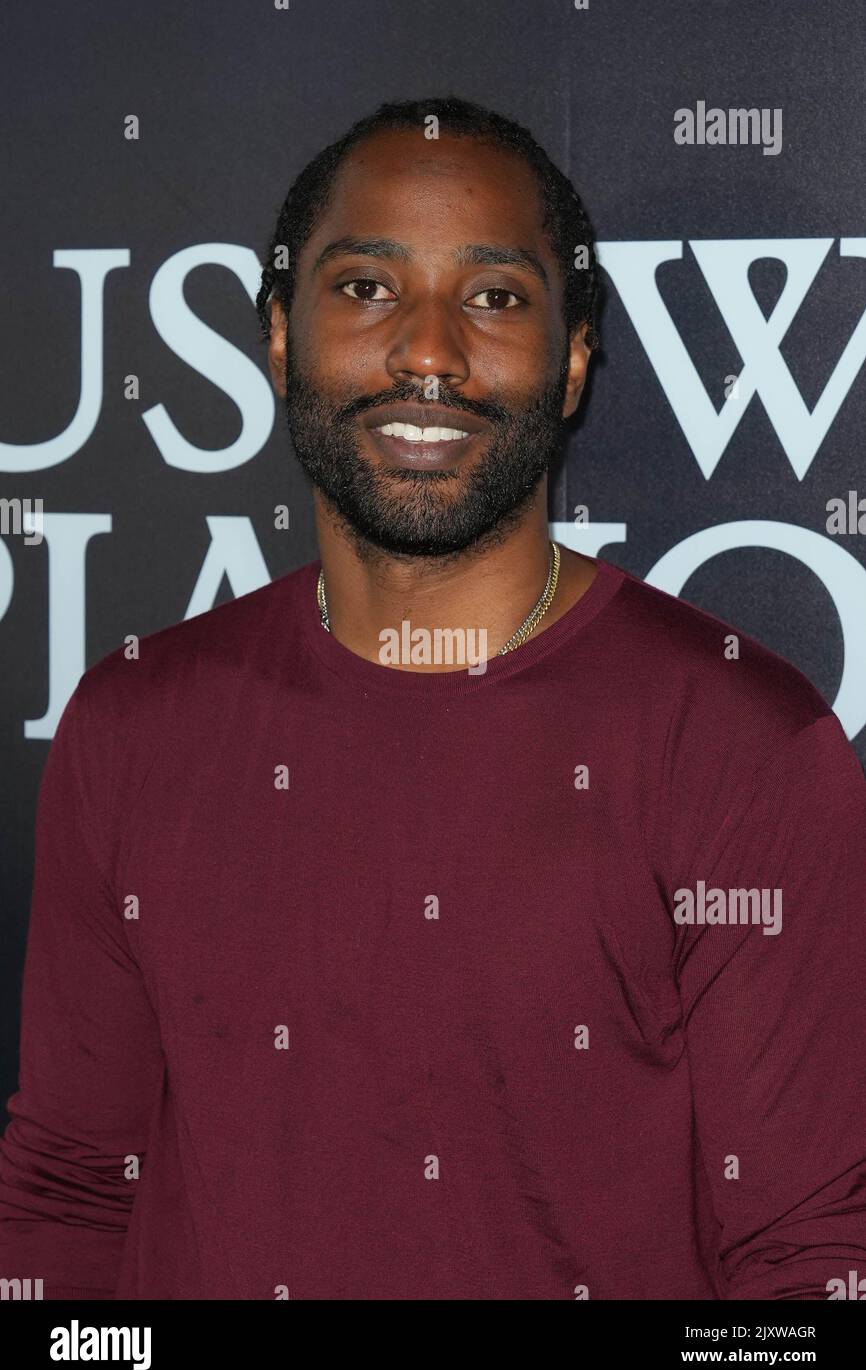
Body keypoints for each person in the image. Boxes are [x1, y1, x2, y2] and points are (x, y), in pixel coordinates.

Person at [1, 95, 865, 1301]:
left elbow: (807, 1262)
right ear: (277, 337)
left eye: (496, 298)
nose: (427, 352)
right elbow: (70, 1194)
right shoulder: (131, 725)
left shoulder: (742, 745)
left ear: (571, 363)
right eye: (364, 287)